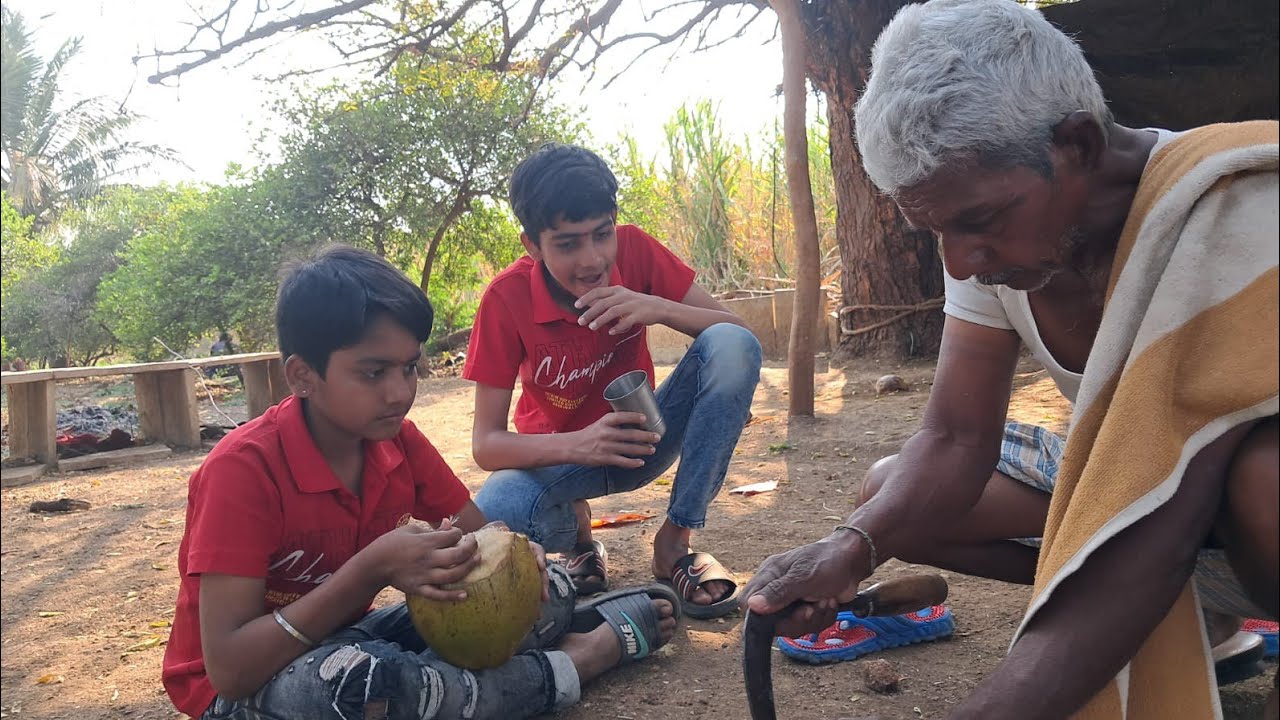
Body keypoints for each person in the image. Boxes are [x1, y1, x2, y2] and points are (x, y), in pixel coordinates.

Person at [742, 2, 1278, 718]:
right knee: (890, 492)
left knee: (1265, 474)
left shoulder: (1232, 208)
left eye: (979, 222)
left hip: (1228, 511)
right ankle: (1177, 618)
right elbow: (956, 438)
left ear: (1078, 147)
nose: (961, 261)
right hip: (1150, 500)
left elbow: (1157, 521)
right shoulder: (994, 238)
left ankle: (1144, 619)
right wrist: (855, 546)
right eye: (934, 230)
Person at [161, 245, 679, 720]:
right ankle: (578, 661)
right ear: (302, 377)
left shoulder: (398, 443)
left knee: (554, 586)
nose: (399, 392)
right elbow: (230, 669)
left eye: (409, 368)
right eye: (373, 372)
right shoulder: (243, 471)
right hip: (239, 692)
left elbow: (484, 536)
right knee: (363, 688)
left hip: (350, 639)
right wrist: (371, 571)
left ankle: (448, 686)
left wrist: (521, 559)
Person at [463, 143, 763, 619]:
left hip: (646, 439)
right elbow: (487, 445)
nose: (592, 259)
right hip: (563, 461)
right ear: (532, 245)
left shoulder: (637, 250)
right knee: (500, 507)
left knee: (729, 345)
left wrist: (659, 308)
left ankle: (676, 541)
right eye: (567, 244)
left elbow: (740, 337)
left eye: (602, 234)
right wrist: (581, 444)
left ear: (614, 221)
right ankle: (578, 539)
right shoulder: (506, 298)